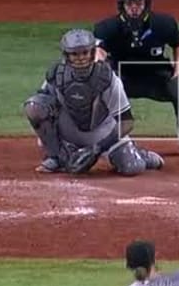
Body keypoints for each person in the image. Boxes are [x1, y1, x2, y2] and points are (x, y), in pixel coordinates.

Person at [24, 28, 165, 176]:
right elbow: (42, 104)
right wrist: (51, 139)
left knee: (132, 167)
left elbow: (126, 122)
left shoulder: (106, 78)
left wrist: (97, 148)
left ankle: (140, 155)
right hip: (70, 128)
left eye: (85, 52)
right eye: (74, 54)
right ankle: (57, 157)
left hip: (101, 131)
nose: (80, 58)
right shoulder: (57, 74)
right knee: (34, 106)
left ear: (92, 53)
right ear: (66, 55)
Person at [93, 0, 179, 157]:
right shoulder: (107, 27)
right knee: (99, 89)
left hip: (158, 77)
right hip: (123, 79)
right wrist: (100, 66)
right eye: (129, 3)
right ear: (122, 5)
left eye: (138, 3)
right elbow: (98, 49)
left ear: (146, 4)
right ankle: (98, 143)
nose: (134, 8)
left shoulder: (163, 23)